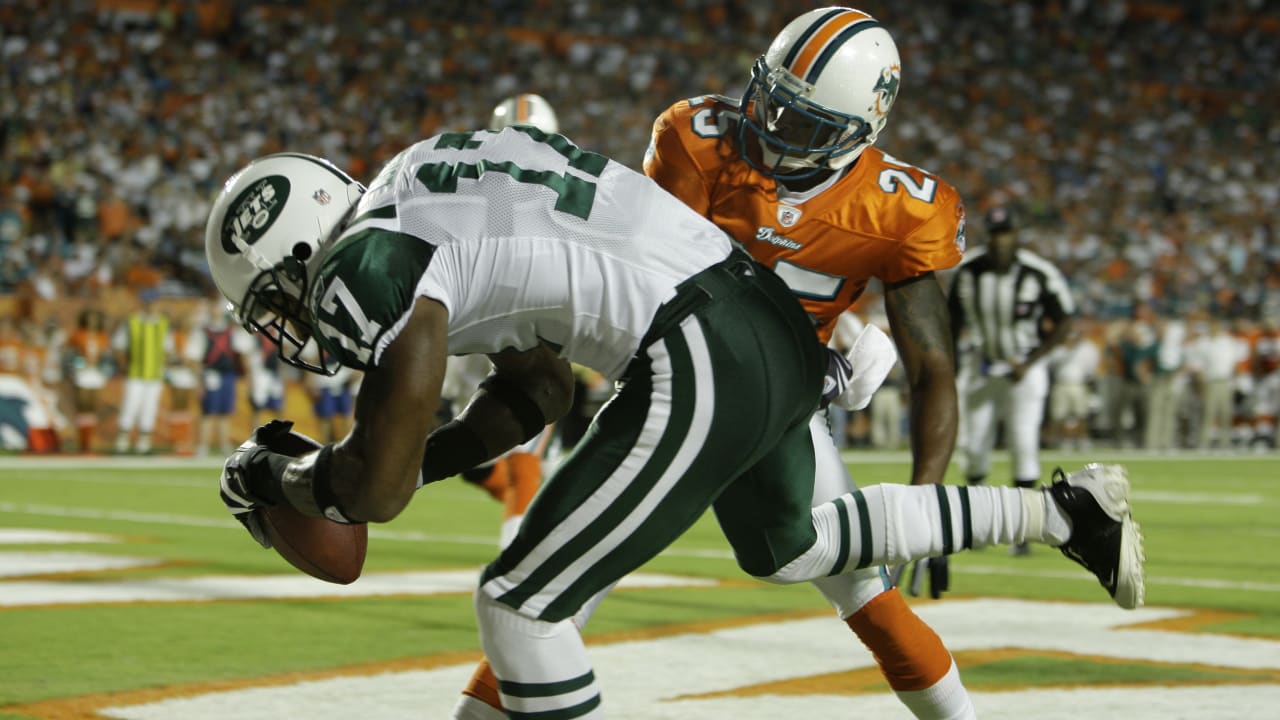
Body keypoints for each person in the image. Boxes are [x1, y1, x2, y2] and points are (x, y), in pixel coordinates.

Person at [206, 133, 1144, 719]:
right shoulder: (419, 183)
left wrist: (278, 478)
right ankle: (1064, 514)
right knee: (794, 544)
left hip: (692, 345)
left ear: (294, 251)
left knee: (522, 606)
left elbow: (374, 491)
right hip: (759, 322)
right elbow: (537, 398)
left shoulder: (361, 267)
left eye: (272, 299)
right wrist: (368, 466)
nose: (289, 322)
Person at [641, 7, 972, 716]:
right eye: (772, 105)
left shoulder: (900, 211)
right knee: (555, 588)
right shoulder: (693, 140)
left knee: (866, 592)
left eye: (807, 126)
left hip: (780, 418)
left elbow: (933, 369)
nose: (772, 132)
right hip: (672, 387)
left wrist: (925, 502)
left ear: (864, 132)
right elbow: (652, 286)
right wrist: (808, 365)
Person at [948, 206, 1076, 556]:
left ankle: (1022, 531)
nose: (1000, 241)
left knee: (1023, 443)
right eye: (995, 234)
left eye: (1006, 234)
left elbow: (1065, 319)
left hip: (1025, 368)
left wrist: (1034, 360)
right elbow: (951, 320)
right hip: (980, 366)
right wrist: (953, 364)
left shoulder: (1038, 271)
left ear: (1015, 235)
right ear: (987, 236)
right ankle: (978, 525)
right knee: (973, 446)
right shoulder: (968, 270)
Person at [112, 291, 172, 454]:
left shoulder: (162, 323)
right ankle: (122, 441)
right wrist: (123, 365)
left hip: (154, 373)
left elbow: (168, 349)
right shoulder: (133, 321)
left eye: (154, 302)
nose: (151, 306)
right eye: (148, 302)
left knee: (150, 408)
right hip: (135, 372)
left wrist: (164, 366)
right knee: (130, 405)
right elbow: (118, 346)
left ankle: (143, 443)